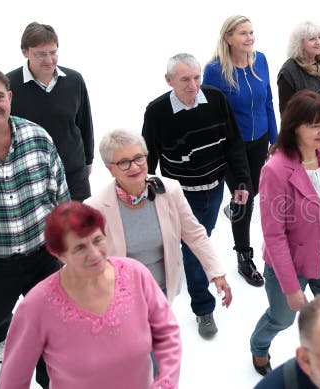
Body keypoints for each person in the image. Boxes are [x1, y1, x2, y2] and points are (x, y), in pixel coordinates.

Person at [0, 202, 181, 388]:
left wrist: (165, 382)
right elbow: (12, 380)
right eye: (79, 248)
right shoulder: (37, 305)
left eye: (97, 240)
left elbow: (167, 333)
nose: (94, 254)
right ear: (59, 255)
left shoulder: (135, 274)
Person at [0, 62, 69, 387]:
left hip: (43, 255)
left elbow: (61, 197)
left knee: (53, 328)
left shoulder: (37, 137)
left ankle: (50, 380)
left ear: (10, 97)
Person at [142, 53, 248, 337]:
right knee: (194, 248)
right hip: (181, 196)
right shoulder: (157, 112)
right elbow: (148, 158)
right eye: (185, 79)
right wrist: (146, 195)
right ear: (169, 81)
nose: (193, 85)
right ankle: (203, 307)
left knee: (202, 238)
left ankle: (189, 267)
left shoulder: (215, 99)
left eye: (197, 77)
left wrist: (240, 183)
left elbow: (233, 143)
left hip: (214, 189)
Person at [86, 130, 232, 337]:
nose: (134, 167)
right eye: (124, 162)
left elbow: (194, 233)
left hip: (162, 289)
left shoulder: (170, 190)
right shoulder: (96, 208)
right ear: (110, 169)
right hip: (122, 297)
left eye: (138, 158)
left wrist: (216, 272)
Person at [250, 90, 320, 376]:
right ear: (295, 127)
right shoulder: (275, 170)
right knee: (282, 318)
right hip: (291, 265)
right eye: (314, 125)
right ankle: (259, 346)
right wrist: (292, 287)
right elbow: (274, 235)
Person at [203, 15, 276, 287]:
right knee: (244, 197)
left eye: (251, 32)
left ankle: (233, 207)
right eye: (243, 33)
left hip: (260, 139)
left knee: (250, 192)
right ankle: (244, 256)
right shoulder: (214, 70)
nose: (250, 38)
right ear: (228, 37)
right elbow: (210, 113)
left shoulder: (261, 60)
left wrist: (275, 137)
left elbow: (268, 100)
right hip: (232, 146)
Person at [6, 22, 94, 201]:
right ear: (25, 52)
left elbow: (85, 123)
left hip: (74, 174)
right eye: (41, 54)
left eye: (53, 53)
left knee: (80, 219)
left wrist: (89, 161)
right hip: (32, 175)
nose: (49, 60)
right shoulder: (9, 85)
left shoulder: (74, 80)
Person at [278, 21, 320, 142]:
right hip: (304, 132)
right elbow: (285, 112)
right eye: (312, 39)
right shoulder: (289, 70)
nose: (319, 42)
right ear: (300, 44)